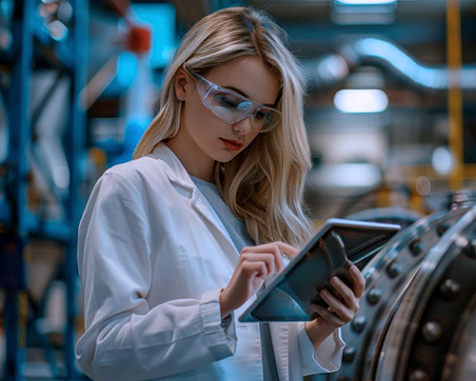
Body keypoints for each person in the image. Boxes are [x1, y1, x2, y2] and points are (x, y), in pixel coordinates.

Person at [75, 6, 365, 381]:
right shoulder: (131, 188)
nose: (244, 127)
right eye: (230, 101)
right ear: (182, 84)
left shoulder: (251, 210)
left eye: (261, 113)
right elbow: (104, 352)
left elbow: (255, 359)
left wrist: (323, 325)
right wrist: (224, 302)